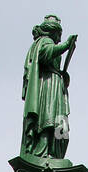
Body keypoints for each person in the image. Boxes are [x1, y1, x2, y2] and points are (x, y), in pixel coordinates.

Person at [21, 16, 78, 160]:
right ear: (54, 32)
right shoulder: (45, 41)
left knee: (60, 123)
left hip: (56, 85)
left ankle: (57, 153)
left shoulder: (49, 43)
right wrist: (66, 45)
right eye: (59, 35)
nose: (59, 38)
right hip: (48, 86)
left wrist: (63, 76)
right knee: (49, 119)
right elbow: (46, 53)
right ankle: (44, 150)